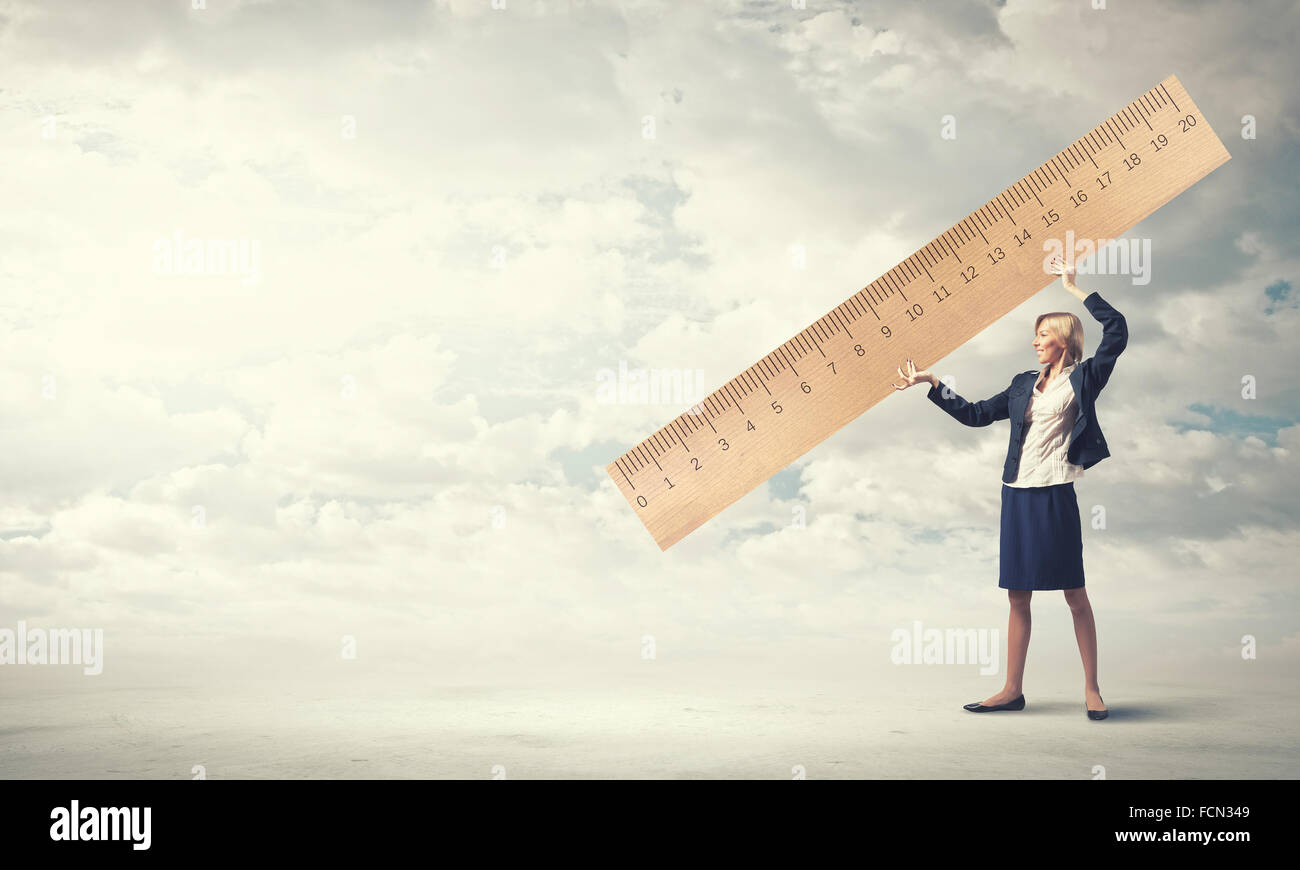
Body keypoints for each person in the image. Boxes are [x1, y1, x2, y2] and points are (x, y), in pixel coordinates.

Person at [891, 257, 1128, 721]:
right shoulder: (1022, 385)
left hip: (1056, 494)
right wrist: (934, 383)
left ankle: (1092, 690)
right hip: (1016, 494)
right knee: (1017, 596)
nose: (1035, 342)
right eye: (1035, 335)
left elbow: (1117, 329)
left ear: (1063, 338)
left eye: (1042, 335)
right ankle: (1012, 690)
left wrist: (1075, 289)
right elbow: (976, 414)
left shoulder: (1085, 377)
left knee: (1074, 594)